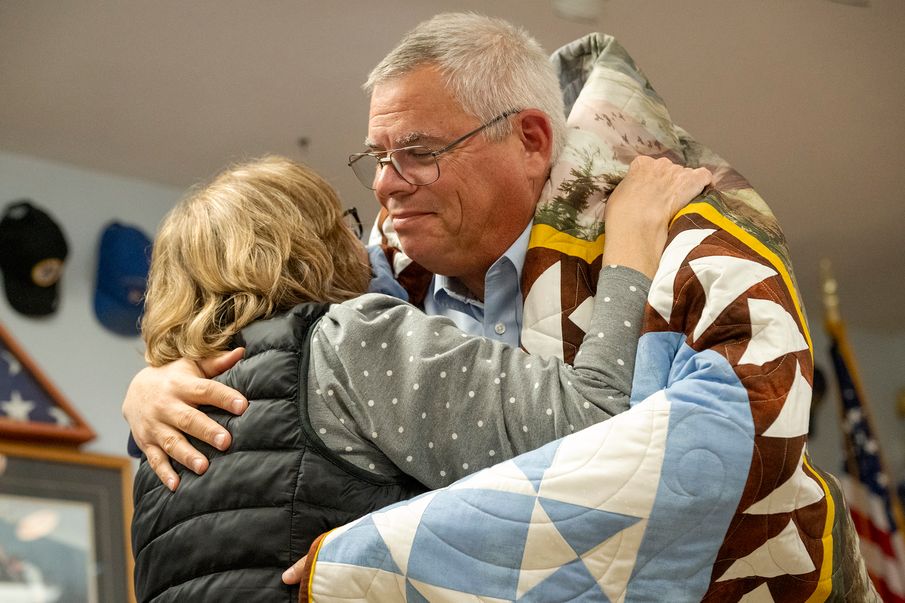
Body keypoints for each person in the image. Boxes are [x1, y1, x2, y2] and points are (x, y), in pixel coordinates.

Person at [126, 13, 874, 601]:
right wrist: (152, 383)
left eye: (417, 152)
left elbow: (731, 440)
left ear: (530, 138)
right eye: (376, 159)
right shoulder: (379, 286)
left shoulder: (671, 228)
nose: (385, 186)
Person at [130, 154, 709, 601]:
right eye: (346, 227)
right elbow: (592, 436)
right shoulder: (347, 340)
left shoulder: (157, 445)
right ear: (311, 246)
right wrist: (632, 243)